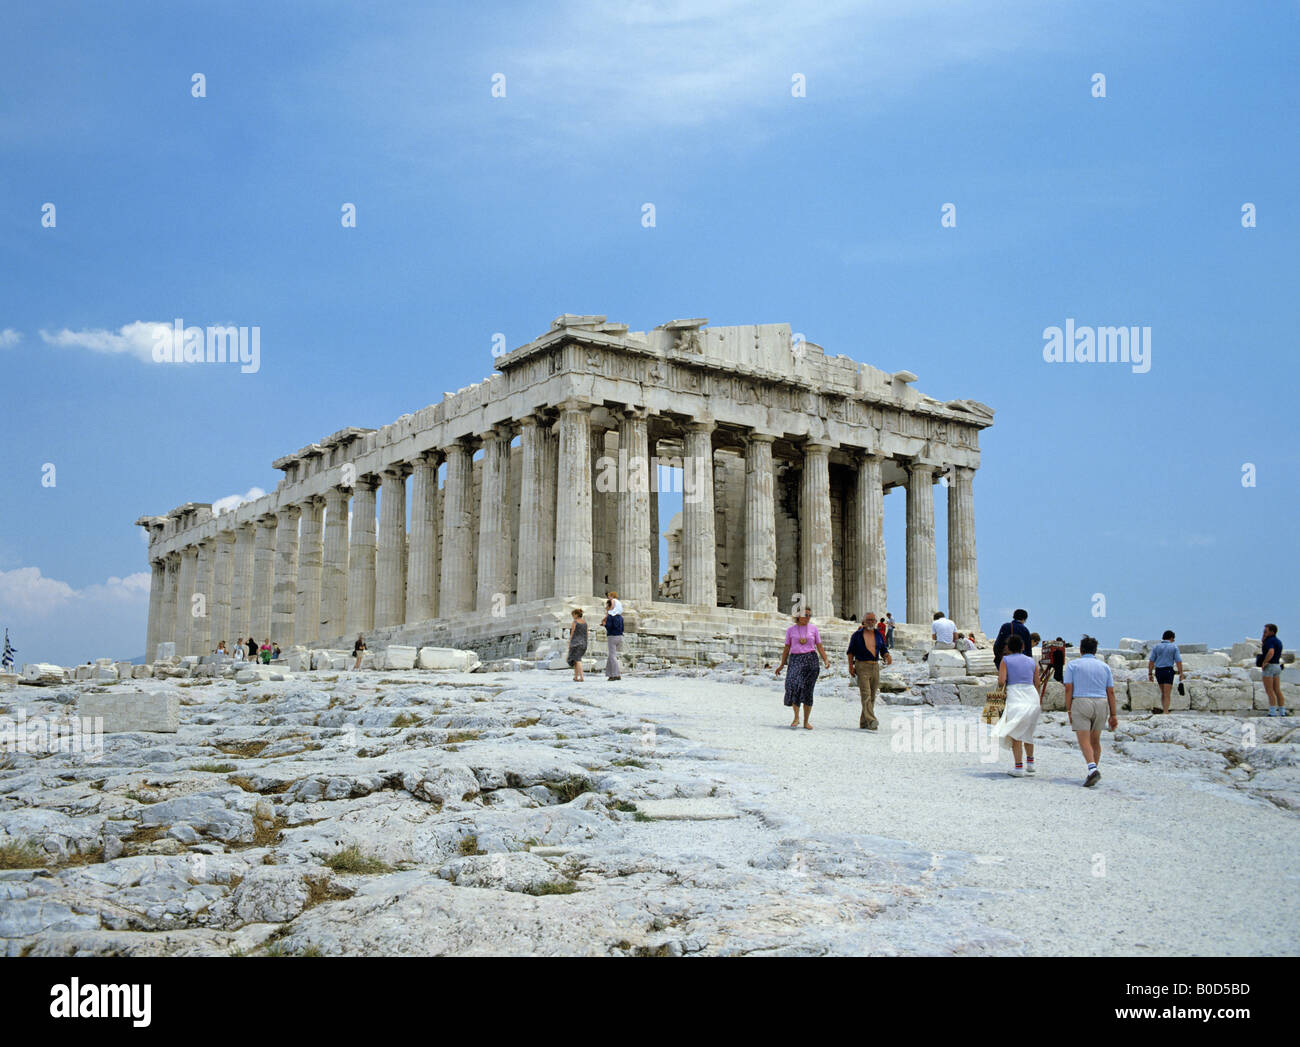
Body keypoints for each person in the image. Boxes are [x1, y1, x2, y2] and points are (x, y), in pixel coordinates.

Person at [1064, 635, 1118, 787]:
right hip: (1101, 703)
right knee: (1095, 740)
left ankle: (1092, 769)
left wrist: (1069, 709)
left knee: (1084, 740)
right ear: (1095, 651)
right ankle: (1093, 768)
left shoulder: (1073, 665)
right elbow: (1111, 691)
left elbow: (1068, 688)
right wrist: (1113, 714)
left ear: (1081, 650)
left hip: (1081, 702)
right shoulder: (1105, 667)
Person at [991, 635, 1043, 776]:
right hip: (1031, 696)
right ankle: (1031, 763)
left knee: (1016, 733)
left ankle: (1018, 767)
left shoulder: (1006, 660)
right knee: (1028, 731)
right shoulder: (1031, 661)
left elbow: (1001, 681)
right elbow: (1037, 683)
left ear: (1008, 647)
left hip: (1015, 695)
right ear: (1023, 647)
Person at [775, 606, 830, 729]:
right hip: (795, 660)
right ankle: (796, 717)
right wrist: (781, 664)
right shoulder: (790, 630)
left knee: (808, 690)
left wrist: (825, 659)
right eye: (805, 615)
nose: (808, 618)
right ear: (798, 616)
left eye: (809, 615)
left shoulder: (814, 629)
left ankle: (806, 721)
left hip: (811, 659)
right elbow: (787, 648)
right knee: (793, 686)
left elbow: (819, 645)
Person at [847, 611, 892, 730]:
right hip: (862, 666)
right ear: (864, 622)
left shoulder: (878, 635)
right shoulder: (857, 635)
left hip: (875, 666)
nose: (871, 622)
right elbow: (850, 651)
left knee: (872, 696)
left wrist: (887, 655)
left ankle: (864, 722)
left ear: (876, 622)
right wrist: (851, 666)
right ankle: (872, 720)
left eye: (873, 620)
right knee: (865, 694)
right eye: (868, 620)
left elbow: (883, 648)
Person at [1147, 630, 1184, 714]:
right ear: (1171, 638)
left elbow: (1151, 661)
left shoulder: (1156, 647)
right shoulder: (1174, 647)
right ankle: (1166, 711)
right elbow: (1178, 661)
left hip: (1158, 671)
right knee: (1167, 693)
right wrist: (1181, 673)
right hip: (1168, 670)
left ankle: (1164, 709)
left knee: (1163, 692)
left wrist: (1150, 673)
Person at [1260, 623, 1286, 716]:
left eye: (1265, 631)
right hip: (1277, 666)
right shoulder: (1278, 641)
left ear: (1271, 631)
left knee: (1269, 690)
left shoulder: (1269, 641)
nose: (1264, 633)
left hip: (1270, 666)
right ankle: (1282, 711)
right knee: (1277, 690)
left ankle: (1272, 712)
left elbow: (1271, 651)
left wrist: (1265, 662)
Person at [602, 592, 624, 681]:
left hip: (612, 636)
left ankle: (616, 675)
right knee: (611, 656)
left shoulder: (611, 616)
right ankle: (610, 674)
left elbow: (610, 627)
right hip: (620, 636)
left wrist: (604, 624)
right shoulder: (620, 617)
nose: (606, 608)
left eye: (606, 606)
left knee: (612, 656)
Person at [567, 609, 588, 681]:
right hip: (583, 643)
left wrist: (569, 643)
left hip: (575, 643)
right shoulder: (585, 623)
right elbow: (586, 634)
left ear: (576, 614)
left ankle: (581, 677)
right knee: (576, 660)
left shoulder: (575, 622)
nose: (572, 616)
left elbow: (572, 633)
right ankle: (576, 676)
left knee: (578, 660)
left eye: (573, 615)